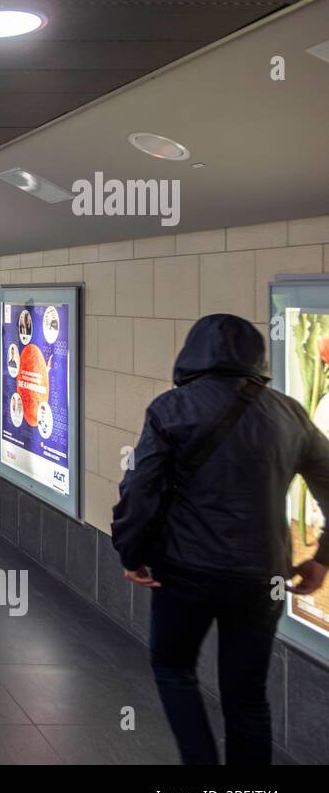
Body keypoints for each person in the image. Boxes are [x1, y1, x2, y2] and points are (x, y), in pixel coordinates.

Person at [111, 314, 329, 766]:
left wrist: (131, 552)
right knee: (248, 695)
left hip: (185, 571)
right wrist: (322, 558)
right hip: (262, 577)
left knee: (174, 669)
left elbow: (139, 488)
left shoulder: (171, 409)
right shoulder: (289, 413)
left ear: (191, 353)